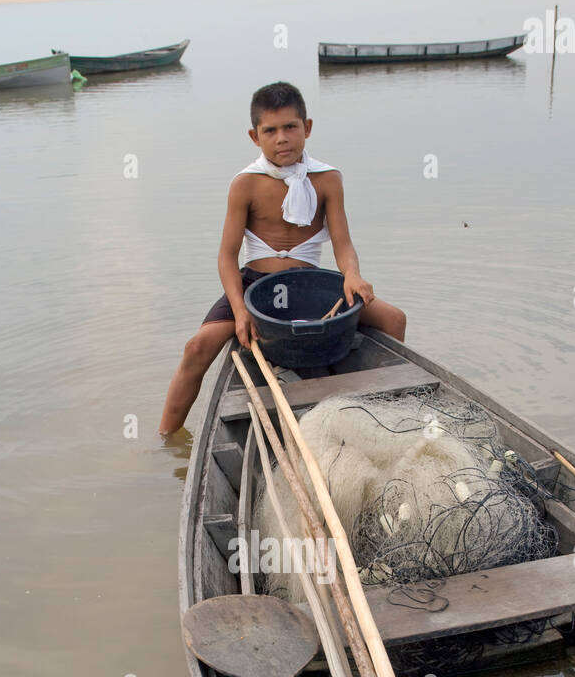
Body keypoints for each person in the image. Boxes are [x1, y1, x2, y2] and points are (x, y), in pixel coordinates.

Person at [158, 80, 406, 434]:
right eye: (270, 130)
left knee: (394, 319)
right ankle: (166, 437)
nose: (281, 138)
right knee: (198, 347)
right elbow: (227, 257)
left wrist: (352, 273)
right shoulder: (245, 183)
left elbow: (343, 243)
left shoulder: (327, 179)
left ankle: (387, 416)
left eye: (290, 127)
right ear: (254, 136)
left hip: (310, 288)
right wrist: (240, 311)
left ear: (306, 128)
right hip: (254, 286)